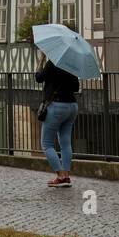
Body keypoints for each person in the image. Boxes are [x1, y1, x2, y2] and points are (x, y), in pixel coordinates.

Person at [36, 56, 80, 187]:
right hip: (72, 106)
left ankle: (60, 176)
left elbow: (38, 78)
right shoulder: (71, 63)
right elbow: (76, 87)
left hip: (57, 106)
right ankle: (66, 175)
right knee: (65, 143)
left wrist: (41, 60)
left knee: (47, 144)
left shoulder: (52, 62)